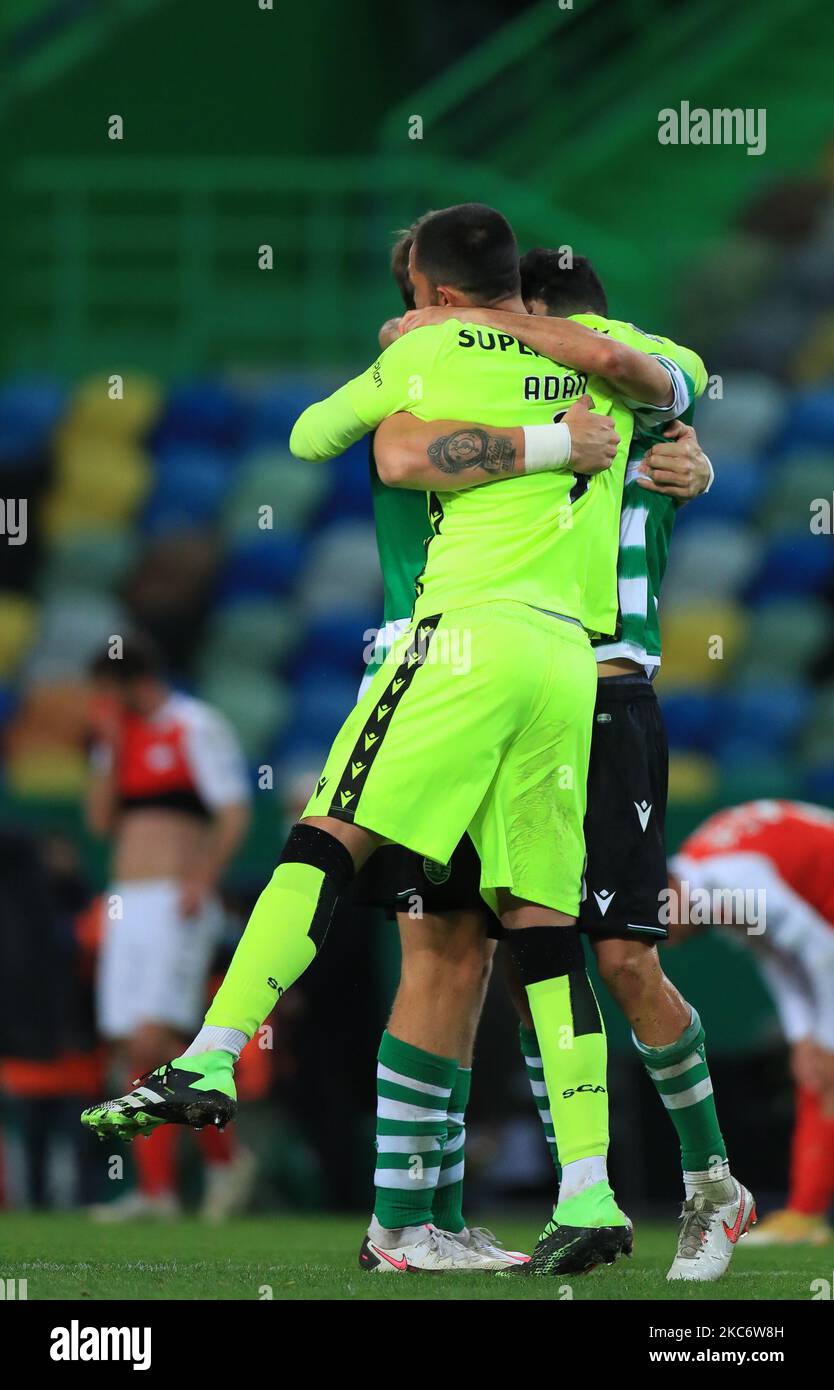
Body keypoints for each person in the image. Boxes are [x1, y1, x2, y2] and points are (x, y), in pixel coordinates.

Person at [83, 201, 657, 1276]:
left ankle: (215, 1057)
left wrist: (447, 349)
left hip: (449, 649)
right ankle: (577, 1191)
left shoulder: (427, 356)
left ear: (432, 294)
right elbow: (668, 390)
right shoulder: (615, 371)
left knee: (330, 840)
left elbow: (337, 441)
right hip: (570, 662)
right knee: (529, 930)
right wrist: (632, 432)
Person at [84, 633, 254, 1221]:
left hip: (175, 901)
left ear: (132, 681)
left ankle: (225, 1162)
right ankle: (157, 1192)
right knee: (131, 1044)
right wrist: (107, 747)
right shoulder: (117, 738)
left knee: (159, 1038)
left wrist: (201, 879)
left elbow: (233, 809)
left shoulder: (193, 724)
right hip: (126, 902)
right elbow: (100, 821)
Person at [670, 799, 834, 1247]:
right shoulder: (705, 881)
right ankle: (804, 1212)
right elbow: (779, 957)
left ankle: (805, 1212)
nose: (663, 936)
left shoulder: (729, 883)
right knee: (820, 1074)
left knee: (826, 1071)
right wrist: (805, 1039)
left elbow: (820, 950)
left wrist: (821, 1039)